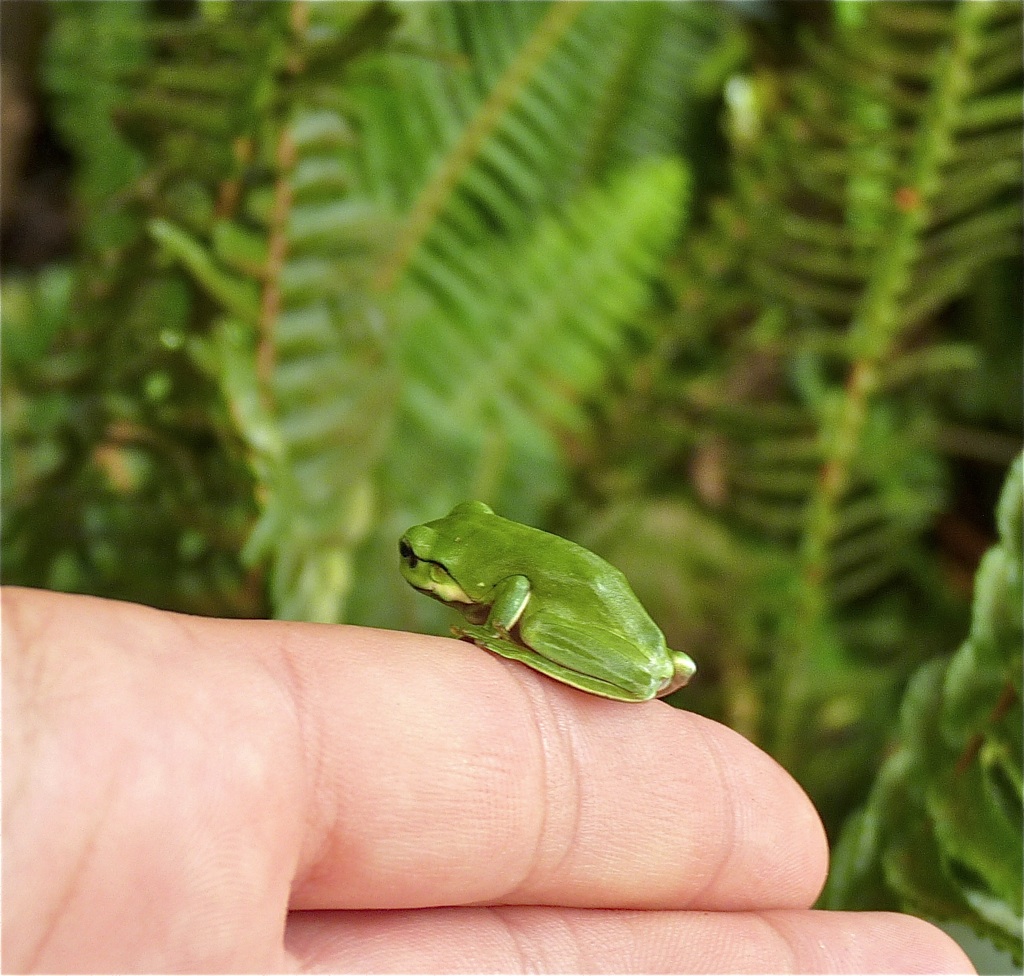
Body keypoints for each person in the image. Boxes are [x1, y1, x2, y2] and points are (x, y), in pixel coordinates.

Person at [2, 586, 972, 973]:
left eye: (427, 569)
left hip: (601, 643)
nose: (418, 574)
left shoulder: (489, 585)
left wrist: (490, 625)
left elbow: (511, 597)